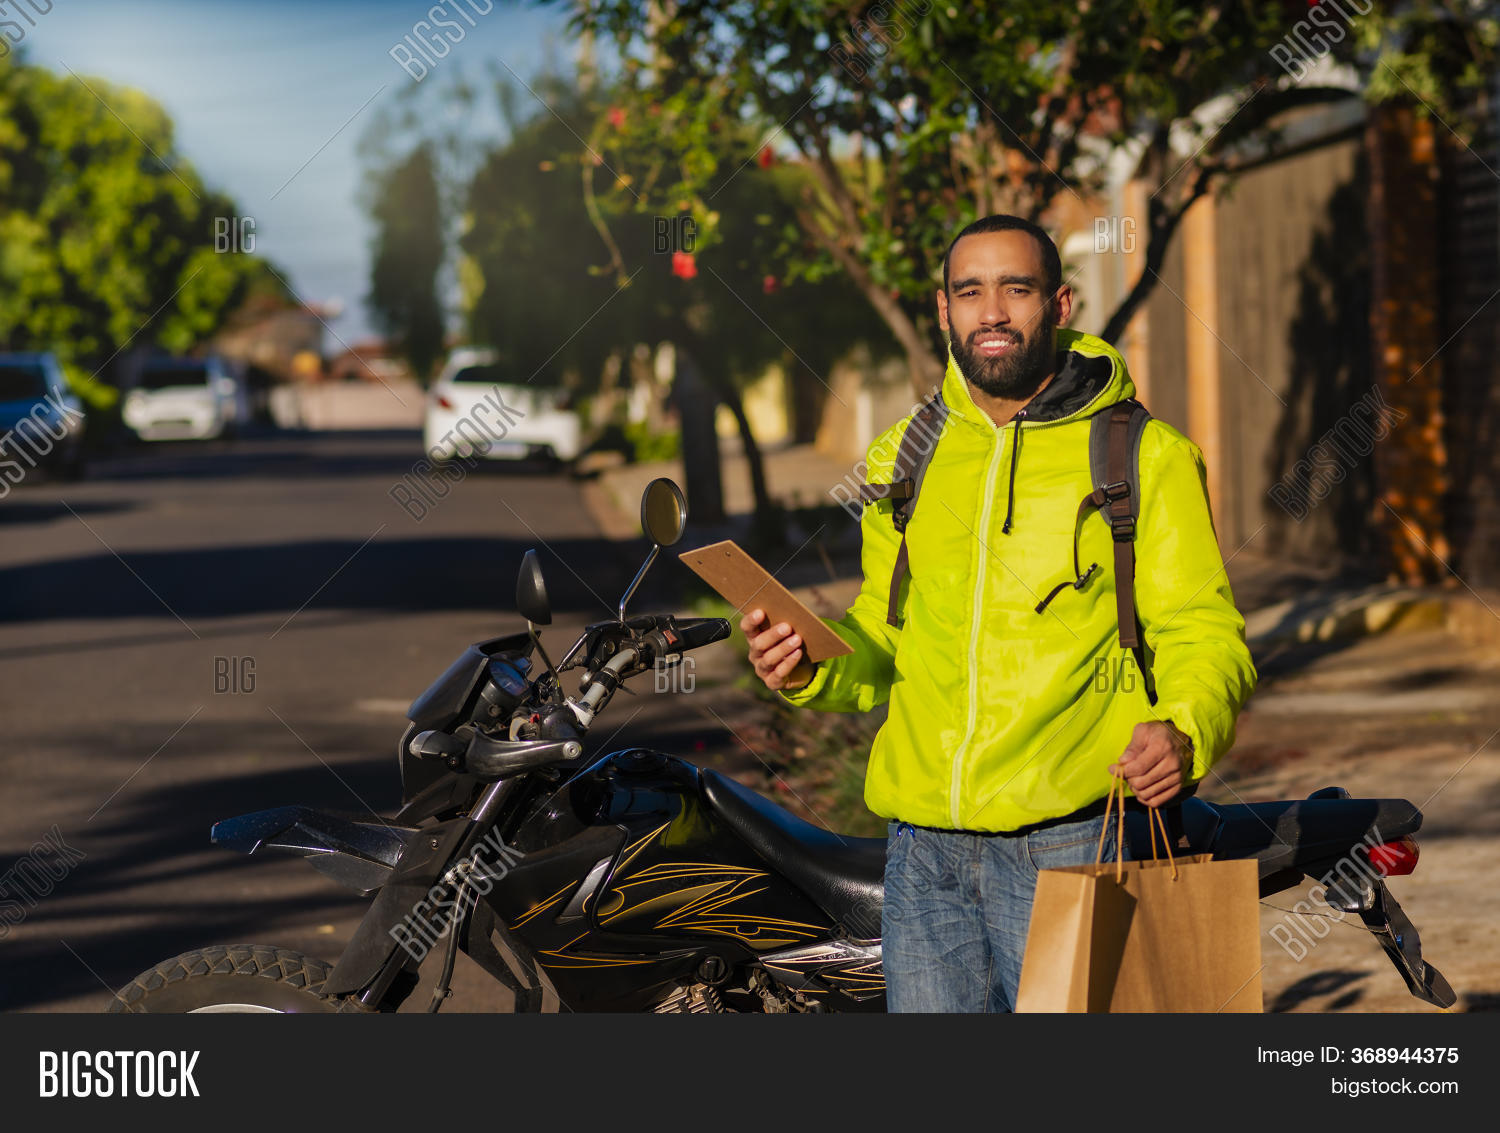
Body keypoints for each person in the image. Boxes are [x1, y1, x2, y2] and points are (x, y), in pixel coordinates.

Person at [742, 214, 1256, 1012]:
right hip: (923, 856)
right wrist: (810, 664)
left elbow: (1203, 627)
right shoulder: (906, 455)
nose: (991, 312)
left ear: (1059, 303)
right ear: (943, 311)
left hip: (1072, 842)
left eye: (1015, 289)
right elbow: (885, 632)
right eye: (969, 291)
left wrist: (1184, 726)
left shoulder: (1141, 454)